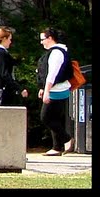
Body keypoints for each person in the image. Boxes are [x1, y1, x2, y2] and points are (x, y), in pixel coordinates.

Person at [36, 27, 74, 156]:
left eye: (43, 39)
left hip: (56, 89)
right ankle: (57, 147)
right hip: (57, 88)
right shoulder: (58, 51)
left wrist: (46, 91)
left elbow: (52, 74)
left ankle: (67, 139)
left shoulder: (56, 53)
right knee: (54, 118)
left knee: (46, 117)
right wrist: (42, 87)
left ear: (50, 38)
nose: (42, 42)